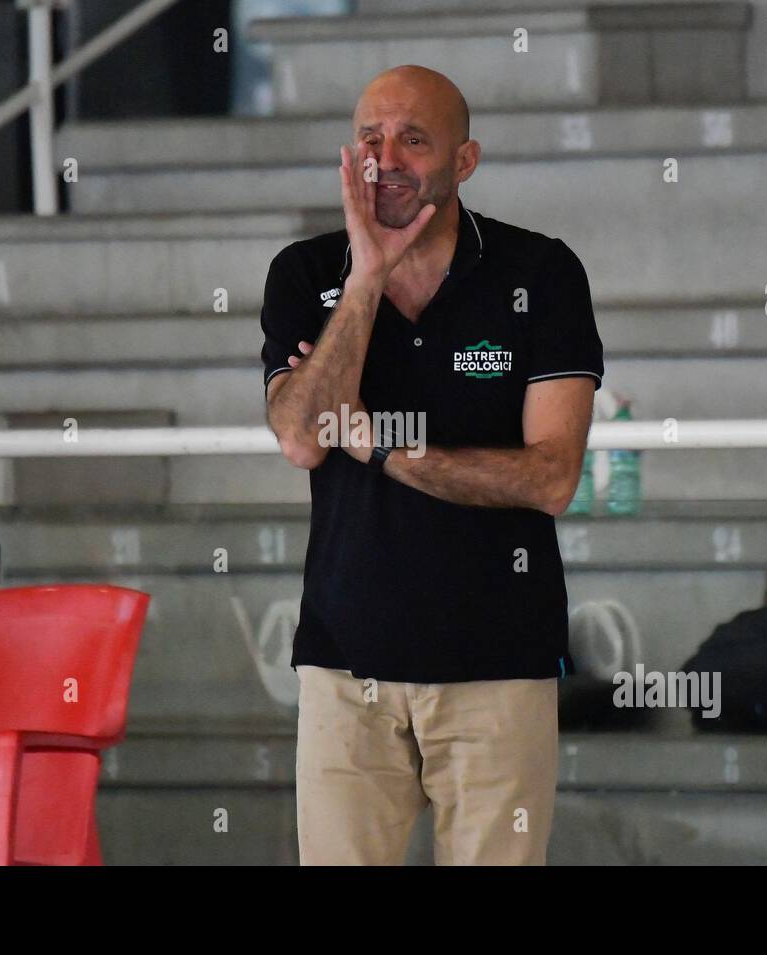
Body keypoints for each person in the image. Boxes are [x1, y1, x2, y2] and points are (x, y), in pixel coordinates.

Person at [260, 65, 606, 865]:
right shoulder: (308, 274)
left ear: (465, 160)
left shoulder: (540, 273)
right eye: (369, 140)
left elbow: (550, 477)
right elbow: (305, 438)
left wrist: (385, 447)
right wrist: (367, 275)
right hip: (346, 665)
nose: (385, 159)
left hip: (498, 663)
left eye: (413, 140)